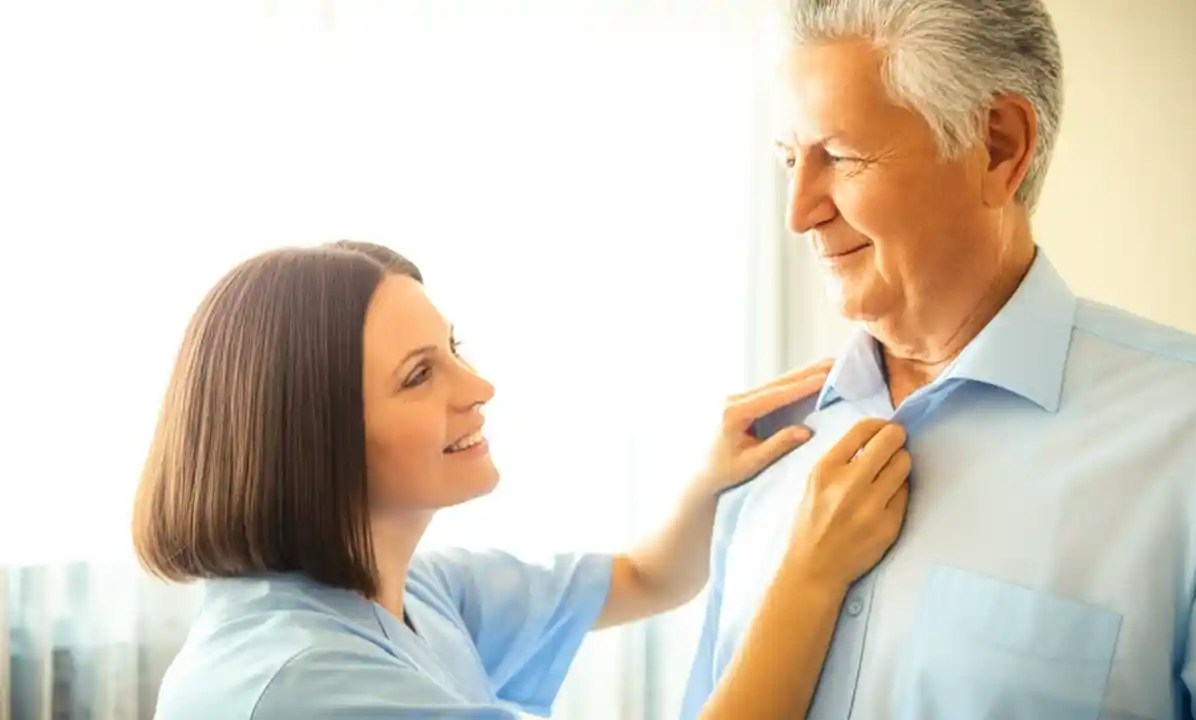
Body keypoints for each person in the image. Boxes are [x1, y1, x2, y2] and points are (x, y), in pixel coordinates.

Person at [680, 2, 1196, 719]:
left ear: (998, 147)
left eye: (839, 156)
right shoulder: (766, 450)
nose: (799, 211)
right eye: (788, 160)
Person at [133, 240, 912, 719]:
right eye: (418, 376)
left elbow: (644, 578)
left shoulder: (411, 595)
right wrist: (814, 574)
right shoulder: (300, 684)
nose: (477, 388)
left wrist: (716, 481)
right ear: (314, 437)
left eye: (454, 347)